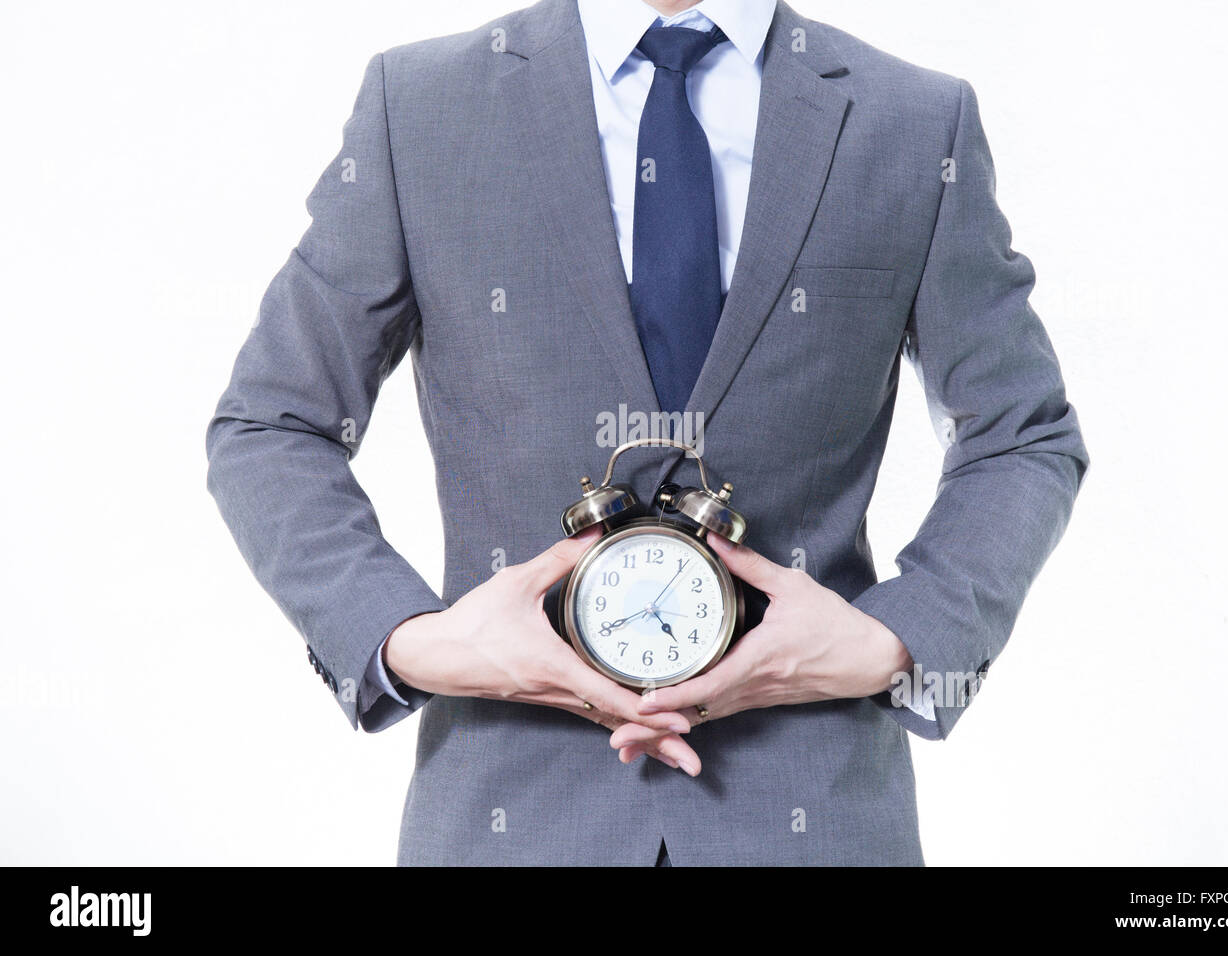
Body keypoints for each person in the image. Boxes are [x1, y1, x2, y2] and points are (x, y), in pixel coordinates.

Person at [206, 0, 1088, 866]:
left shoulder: (914, 121)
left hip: (815, 819)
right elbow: (272, 422)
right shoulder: (421, 104)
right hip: (504, 818)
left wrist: (896, 640)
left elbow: (1022, 432)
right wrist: (408, 641)